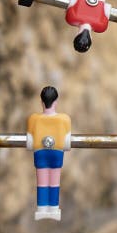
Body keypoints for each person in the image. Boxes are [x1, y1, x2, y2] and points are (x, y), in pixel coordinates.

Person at [26, 86, 71, 221]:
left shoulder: (33, 119)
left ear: (41, 102)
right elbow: (67, 142)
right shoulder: (64, 119)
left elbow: (29, 141)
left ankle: (41, 208)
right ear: (56, 101)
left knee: (42, 183)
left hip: (40, 153)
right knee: (54, 183)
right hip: (56, 153)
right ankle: (53, 208)